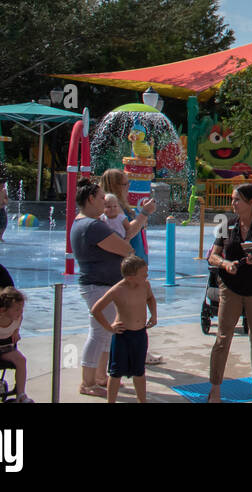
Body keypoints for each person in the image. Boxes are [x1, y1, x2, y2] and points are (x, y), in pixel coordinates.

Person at [207, 183, 252, 402]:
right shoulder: (226, 224)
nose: (233, 203)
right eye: (232, 199)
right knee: (223, 337)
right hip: (230, 286)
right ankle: (215, 390)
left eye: (237, 199)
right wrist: (224, 264)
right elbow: (212, 256)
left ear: (251, 202)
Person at [70, 178, 138, 397]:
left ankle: (100, 377)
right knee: (99, 333)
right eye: (101, 198)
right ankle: (88, 382)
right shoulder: (93, 225)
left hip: (100, 285)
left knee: (106, 333)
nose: (104, 202)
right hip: (98, 286)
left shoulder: (81, 222)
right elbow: (125, 248)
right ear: (90, 199)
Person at [98, 169, 161, 366]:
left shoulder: (118, 205)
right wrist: (144, 213)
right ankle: (135, 352)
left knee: (134, 308)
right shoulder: (112, 208)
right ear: (115, 186)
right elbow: (128, 233)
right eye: (125, 184)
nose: (128, 187)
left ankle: (137, 350)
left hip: (135, 261)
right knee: (132, 310)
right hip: (129, 264)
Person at [90, 255, 157, 403]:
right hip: (123, 336)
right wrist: (109, 327)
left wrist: (154, 315)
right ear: (131, 276)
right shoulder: (117, 290)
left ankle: (142, 400)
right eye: (143, 273)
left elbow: (150, 298)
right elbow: (96, 310)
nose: (146, 275)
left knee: (139, 372)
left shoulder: (145, 285)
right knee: (115, 373)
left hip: (140, 334)